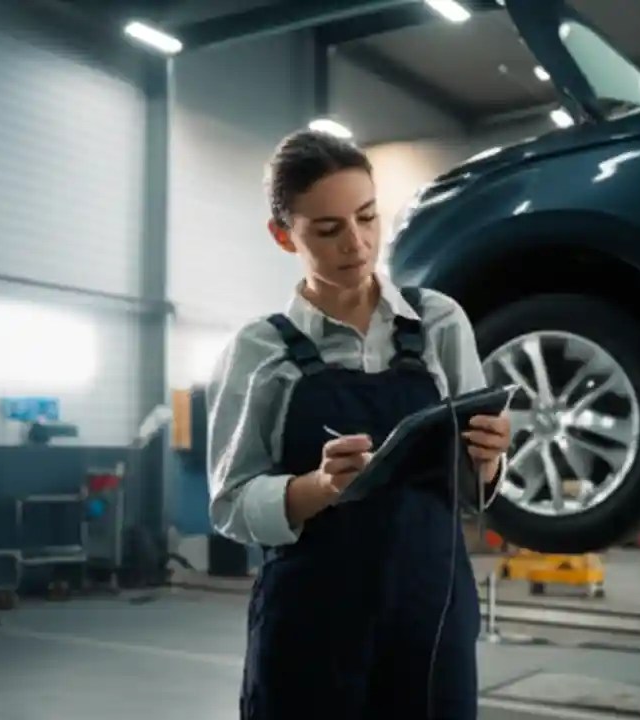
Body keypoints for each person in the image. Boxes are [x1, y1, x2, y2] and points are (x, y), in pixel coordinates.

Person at [206, 129, 511, 719]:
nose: (357, 243)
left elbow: (471, 490)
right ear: (282, 234)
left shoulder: (439, 322)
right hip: (310, 625)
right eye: (328, 229)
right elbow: (230, 503)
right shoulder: (260, 349)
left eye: (367, 217)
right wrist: (318, 489)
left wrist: (490, 456)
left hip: (433, 614)